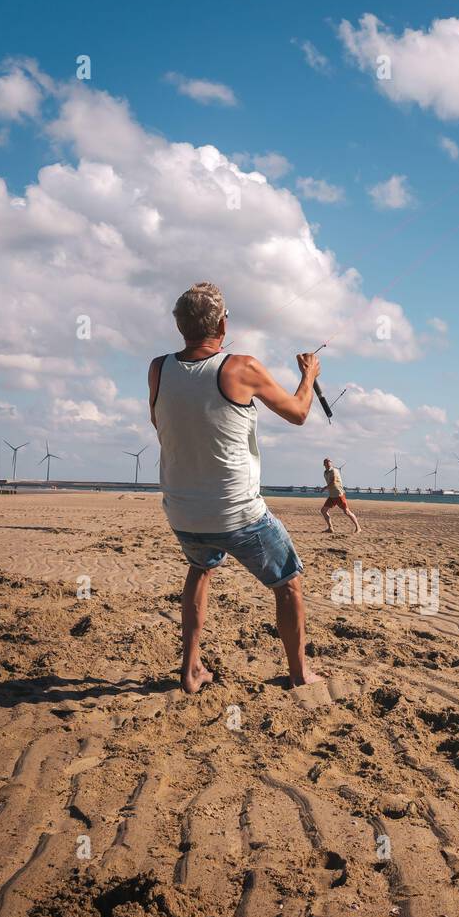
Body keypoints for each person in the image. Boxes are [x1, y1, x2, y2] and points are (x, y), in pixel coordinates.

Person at [150, 282, 321, 693]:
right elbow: (298, 413)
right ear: (223, 324)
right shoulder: (240, 367)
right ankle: (299, 672)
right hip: (237, 513)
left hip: (182, 511)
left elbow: (160, 423)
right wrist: (308, 375)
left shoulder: (158, 367)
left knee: (200, 568)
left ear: (180, 326)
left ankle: (191, 669)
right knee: (289, 582)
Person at [321, 457, 361, 534]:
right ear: (324, 464)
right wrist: (327, 488)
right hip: (332, 495)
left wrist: (325, 488)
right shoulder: (325, 472)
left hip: (339, 494)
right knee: (323, 510)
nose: (328, 463)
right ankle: (330, 528)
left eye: (329, 461)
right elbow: (330, 483)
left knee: (347, 511)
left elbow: (333, 481)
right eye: (326, 462)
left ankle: (358, 527)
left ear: (331, 463)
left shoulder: (334, 470)